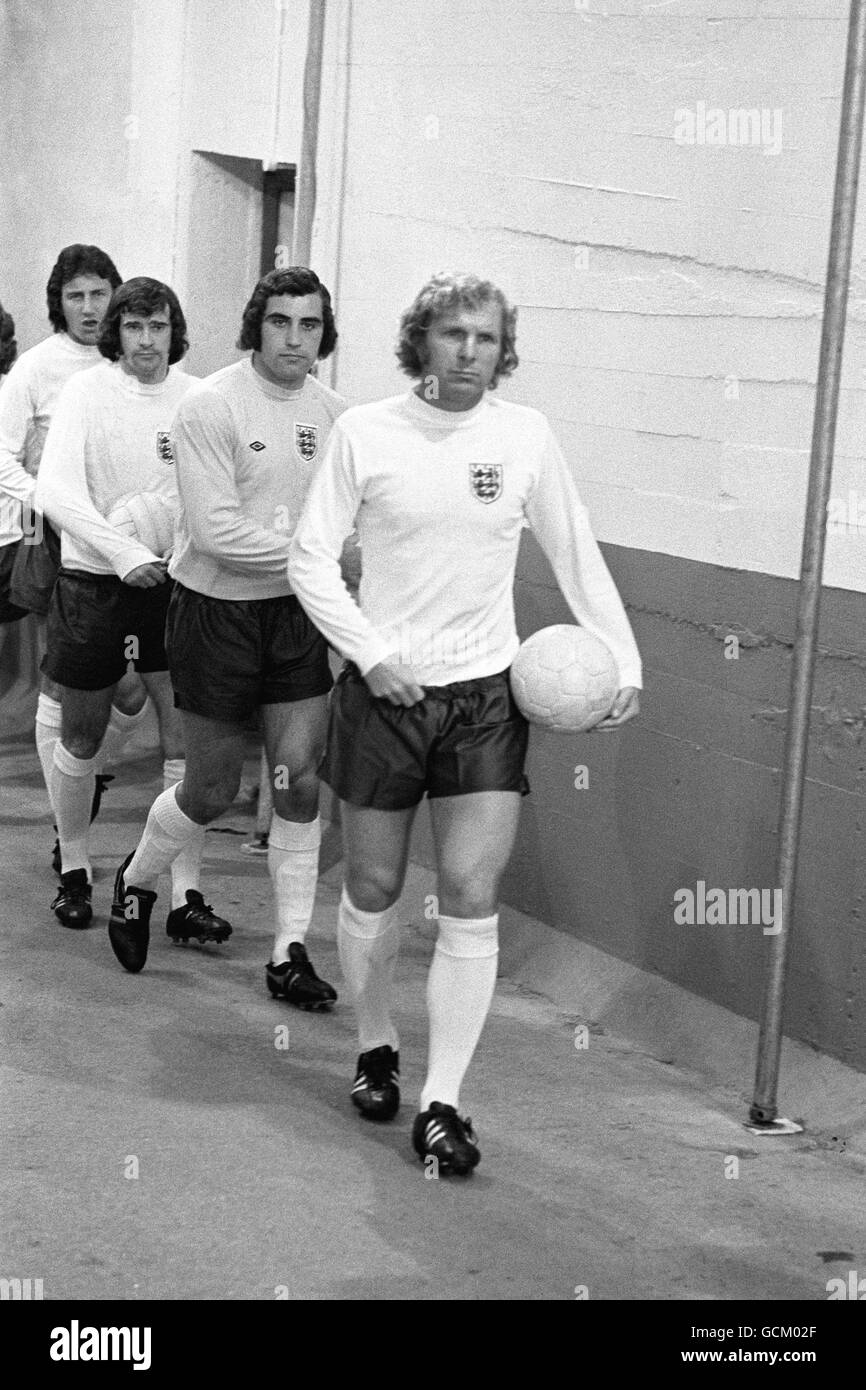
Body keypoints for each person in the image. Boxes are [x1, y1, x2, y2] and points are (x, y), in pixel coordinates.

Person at [287, 271, 642, 1175]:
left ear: (503, 349)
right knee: (372, 888)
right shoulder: (367, 433)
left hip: (485, 699)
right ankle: (375, 1044)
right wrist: (371, 654)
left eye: (485, 338)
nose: (470, 352)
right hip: (382, 697)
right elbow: (310, 559)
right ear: (422, 342)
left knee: (471, 895)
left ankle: (445, 1101)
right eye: (453, 335)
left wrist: (622, 660)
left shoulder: (524, 437)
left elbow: (573, 546)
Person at [108, 267, 347, 999]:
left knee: (299, 778)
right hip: (216, 612)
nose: (295, 338)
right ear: (256, 325)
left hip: (298, 614)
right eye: (281, 321)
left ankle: (289, 951)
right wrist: (321, 556)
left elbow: (348, 521)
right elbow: (213, 534)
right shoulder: (211, 407)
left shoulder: (337, 414)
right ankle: (138, 878)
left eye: (310, 324)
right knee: (211, 788)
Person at [35, 277, 202, 932]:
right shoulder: (86, 392)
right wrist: (120, 552)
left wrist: (180, 556)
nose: (146, 341)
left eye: (158, 327)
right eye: (133, 327)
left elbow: (214, 492)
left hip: (173, 588)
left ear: (173, 331)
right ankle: (75, 866)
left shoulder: (199, 397)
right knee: (81, 735)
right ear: (116, 332)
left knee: (186, 739)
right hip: (94, 586)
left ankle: (186, 895)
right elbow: (56, 489)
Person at [0, 246, 150, 866]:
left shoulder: (140, 364)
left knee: (133, 690)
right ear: (58, 303)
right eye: (76, 296)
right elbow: (3, 458)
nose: (90, 308)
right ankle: (70, 838)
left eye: (99, 294)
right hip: (57, 544)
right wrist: (55, 505)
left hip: (137, 549)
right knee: (60, 685)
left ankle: (85, 777)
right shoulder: (34, 370)